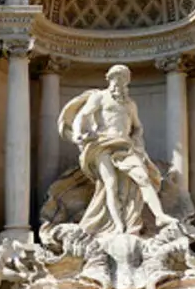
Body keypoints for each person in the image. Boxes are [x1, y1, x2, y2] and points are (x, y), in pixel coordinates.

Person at [58, 65, 177, 236]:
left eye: (122, 78)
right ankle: (118, 225)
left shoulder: (130, 104)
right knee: (111, 184)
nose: (118, 82)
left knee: (143, 178)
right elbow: (83, 116)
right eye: (115, 78)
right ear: (109, 79)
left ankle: (159, 216)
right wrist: (78, 133)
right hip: (102, 145)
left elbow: (137, 127)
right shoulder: (100, 97)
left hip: (125, 146)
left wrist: (137, 141)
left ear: (127, 82)